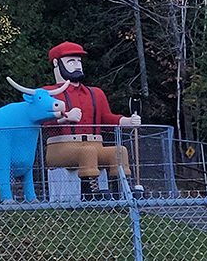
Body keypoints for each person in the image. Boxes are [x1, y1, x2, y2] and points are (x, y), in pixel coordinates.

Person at [43, 41, 140, 197]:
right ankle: (91, 194)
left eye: (79, 61)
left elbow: (107, 119)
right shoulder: (47, 93)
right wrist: (65, 117)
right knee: (87, 153)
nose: (77, 65)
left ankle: (122, 191)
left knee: (119, 151)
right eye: (71, 61)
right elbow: (42, 120)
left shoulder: (96, 93)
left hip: (95, 143)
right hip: (62, 147)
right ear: (56, 63)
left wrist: (127, 121)